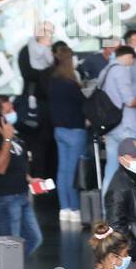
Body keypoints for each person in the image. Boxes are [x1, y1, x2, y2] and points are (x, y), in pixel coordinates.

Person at [99, 45, 136, 195]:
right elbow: (129, 101)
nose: (132, 64)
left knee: (111, 168)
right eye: (132, 60)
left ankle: (108, 208)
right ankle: (133, 206)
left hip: (112, 127)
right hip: (127, 127)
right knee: (133, 168)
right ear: (129, 56)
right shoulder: (121, 71)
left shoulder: (105, 71)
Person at [0, 97, 43, 258]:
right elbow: (0, 167)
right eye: (7, 109)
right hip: (6, 198)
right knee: (10, 246)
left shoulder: (8, 129)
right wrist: (7, 139)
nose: (11, 108)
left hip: (21, 195)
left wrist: (29, 179)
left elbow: (18, 160)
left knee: (34, 238)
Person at [48, 42, 88, 225]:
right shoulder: (71, 85)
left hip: (59, 130)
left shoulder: (53, 82)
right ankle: (74, 209)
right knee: (73, 172)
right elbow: (83, 105)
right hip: (75, 131)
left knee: (62, 171)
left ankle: (64, 209)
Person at [103, 138, 136, 267]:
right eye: (134, 156)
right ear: (122, 159)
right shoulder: (119, 188)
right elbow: (115, 226)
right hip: (133, 259)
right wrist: (134, 250)